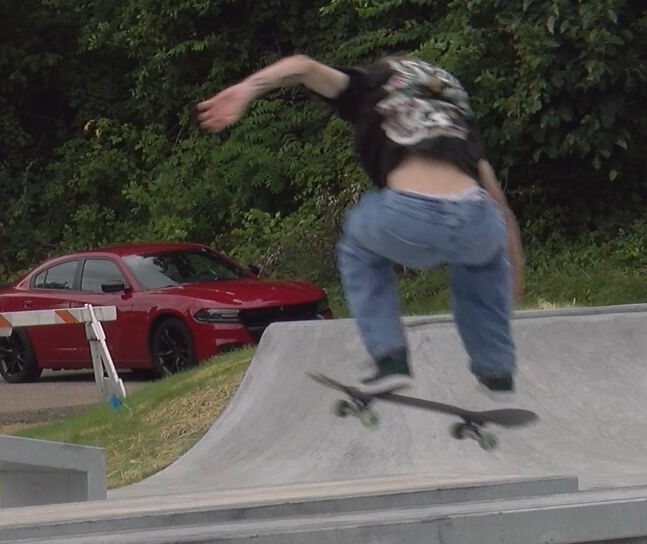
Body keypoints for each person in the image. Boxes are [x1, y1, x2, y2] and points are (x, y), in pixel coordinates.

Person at [199, 54, 522, 395]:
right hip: (477, 220)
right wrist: (513, 270)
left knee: (359, 240)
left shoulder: (370, 85)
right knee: (480, 265)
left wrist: (247, 88)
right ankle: (496, 371)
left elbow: (302, 67)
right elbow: (499, 204)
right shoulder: (457, 116)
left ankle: (390, 357)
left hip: (409, 218)